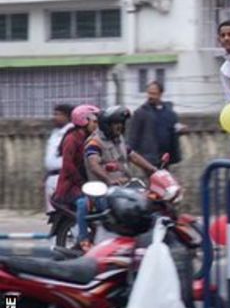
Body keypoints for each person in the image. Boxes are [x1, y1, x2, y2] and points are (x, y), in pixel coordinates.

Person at [82, 106, 157, 247]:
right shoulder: (94, 142)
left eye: (121, 123)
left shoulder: (118, 139)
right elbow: (94, 164)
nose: (120, 126)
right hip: (104, 191)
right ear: (106, 125)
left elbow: (133, 156)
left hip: (123, 189)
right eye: (116, 123)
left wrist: (153, 169)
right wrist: (109, 179)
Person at [52, 105, 100, 230]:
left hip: (84, 184)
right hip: (69, 187)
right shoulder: (71, 138)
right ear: (83, 120)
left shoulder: (89, 138)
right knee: (86, 204)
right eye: (93, 121)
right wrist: (81, 182)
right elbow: (68, 165)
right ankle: (83, 238)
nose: (96, 125)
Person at [128, 82, 182, 168]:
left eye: (153, 94)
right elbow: (133, 137)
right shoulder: (141, 113)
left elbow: (173, 132)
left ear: (160, 94)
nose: (150, 96)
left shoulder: (169, 113)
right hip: (148, 160)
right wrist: (130, 156)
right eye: (149, 93)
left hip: (165, 159)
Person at [44, 104, 74, 213]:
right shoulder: (56, 133)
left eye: (58, 114)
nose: (54, 117)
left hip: (63, 177)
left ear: (67, 116)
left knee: (65, 213)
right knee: (53, 214)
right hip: (52, 177)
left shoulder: (71, 133)